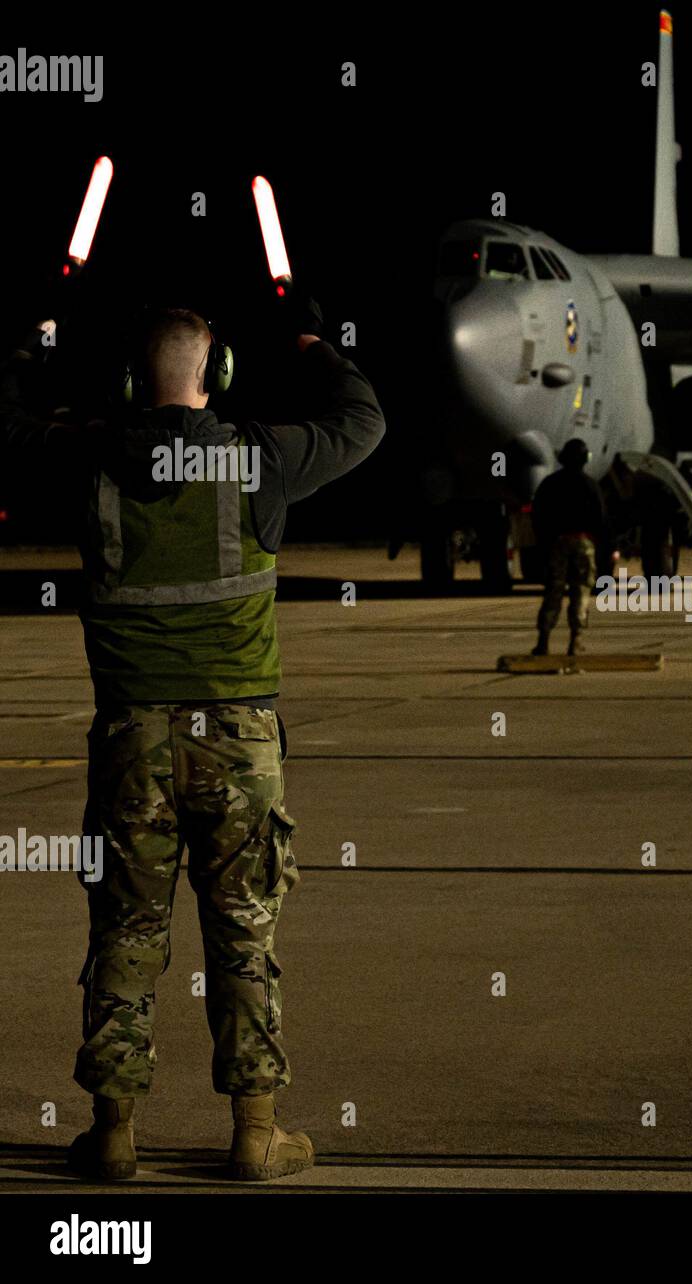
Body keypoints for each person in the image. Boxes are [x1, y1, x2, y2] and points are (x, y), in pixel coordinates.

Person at [0, 298, 385, 1181]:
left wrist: (30, 346)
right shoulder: (260, 457)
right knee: (244, 935)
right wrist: (322, 345)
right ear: (219, 375)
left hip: (132, 738)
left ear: (133, 380)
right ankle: (255, 1132)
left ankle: (114, 1131)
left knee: (125, 932)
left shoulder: (89, 455)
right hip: (240, 745)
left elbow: (6, 423)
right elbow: (364, 420)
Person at [531, 437, 606, 655]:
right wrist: (603, 548)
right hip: (583, 543)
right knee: (581, 591)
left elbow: (538, 516)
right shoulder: (590, 485)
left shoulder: (549, 484)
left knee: (553, 591)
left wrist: (544, 544)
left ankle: (543, 641)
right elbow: (601, 519)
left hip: (558, 543)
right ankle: (575, 640)